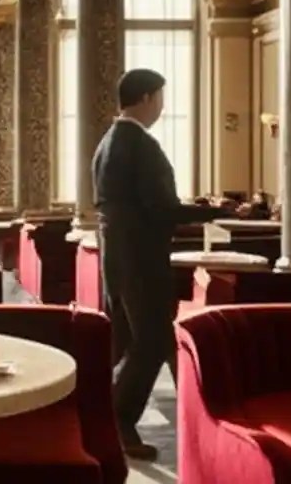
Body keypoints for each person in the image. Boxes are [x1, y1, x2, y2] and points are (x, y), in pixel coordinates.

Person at [92, 68, 218, 460]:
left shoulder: (109, 141)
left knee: (131, 340)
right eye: (160, 98)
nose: (162, 107)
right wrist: (208, 212)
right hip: (142, 257)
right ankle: (117, 420)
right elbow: (160, 208)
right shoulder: (140, 144)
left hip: (117, 253)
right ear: (147, 98)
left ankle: (106, 418)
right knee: (152, 341)